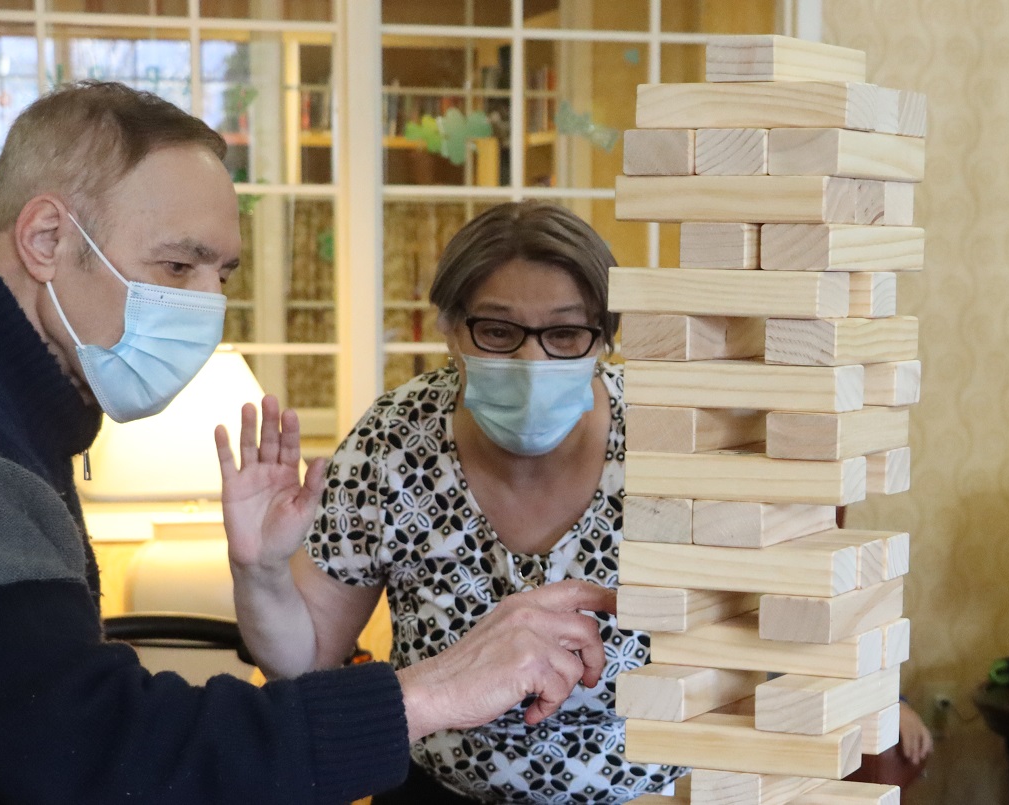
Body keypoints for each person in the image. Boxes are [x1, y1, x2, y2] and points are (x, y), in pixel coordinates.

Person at [0, 83, 616, 804]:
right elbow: (95, 757)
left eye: (219, 273)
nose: (203, 305)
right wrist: (429, 692)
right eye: (175, 266)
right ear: (45, 237)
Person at [226, 201, 684, 803]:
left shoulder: (673, 438)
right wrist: (259, 572)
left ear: (605, 338)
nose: (531, 361)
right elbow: (304, 660)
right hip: (437, 790)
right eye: (497, 331)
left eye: (566, 333)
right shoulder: (394, 437)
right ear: (448, 327)